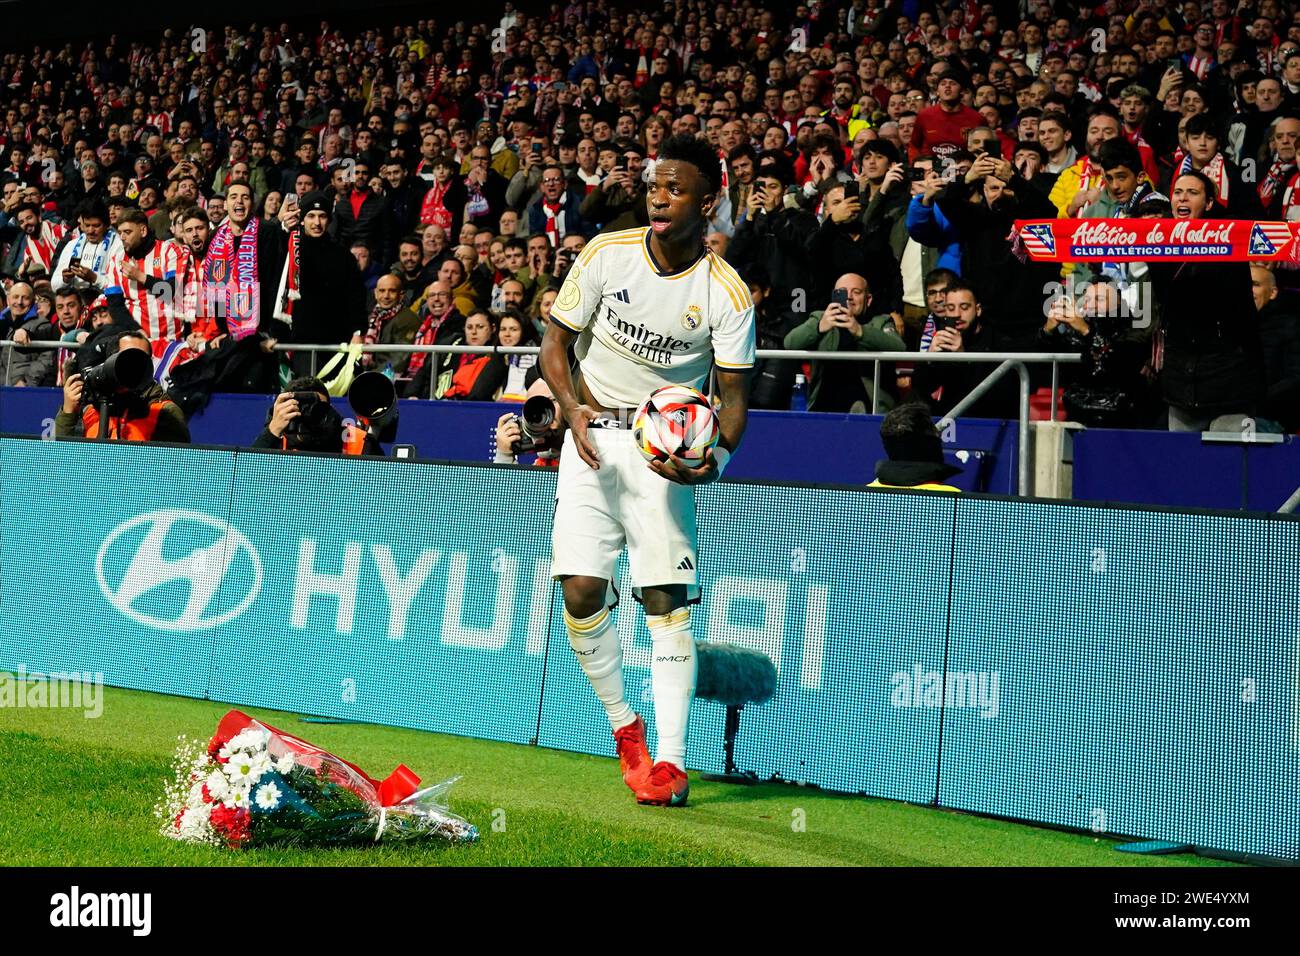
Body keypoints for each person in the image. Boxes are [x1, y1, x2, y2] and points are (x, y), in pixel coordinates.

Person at [541, 134, 755, 807]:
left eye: (675, 189)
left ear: (708, 201)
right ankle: (622, 725)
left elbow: (736, 400)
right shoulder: (607, 255)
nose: (658, 198)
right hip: (592, 436)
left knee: (663, 599)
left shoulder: (726, 293)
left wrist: (713, 460)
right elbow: (555, 343)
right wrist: (571, 408)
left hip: (667, 453)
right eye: (653, 187)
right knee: (580, 591)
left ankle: (669, 762)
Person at [782, 272, 908, 412]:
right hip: (824, 403)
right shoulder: (820, 318)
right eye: (841, 292)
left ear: (868, 299)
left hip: (868, 405)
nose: (848, 296)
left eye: (856, 292)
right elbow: (790, 343)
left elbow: (899, 348)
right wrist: (818, 328)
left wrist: (860, 331)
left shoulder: (881, 322)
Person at [55, 329, 190, 442]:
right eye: (127, 358)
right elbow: (64, 460)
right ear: (110, 361)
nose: (134, 365)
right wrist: (68, 412)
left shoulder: (164, 411)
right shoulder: (90, 408)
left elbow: (175, 467)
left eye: (142, 359)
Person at [251, 375, 382, 455]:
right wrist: (272, 431)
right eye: (302, 410)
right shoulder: (278, 438)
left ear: (331, 410)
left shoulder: (358, 441)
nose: (310, 417)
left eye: (317, 410)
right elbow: (246, 476)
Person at [867, 402, 962, 491]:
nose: (939, 436)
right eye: (934, 433)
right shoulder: (955, 499)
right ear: (930, 443)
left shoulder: (865, 494)